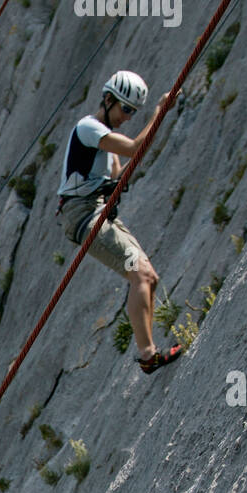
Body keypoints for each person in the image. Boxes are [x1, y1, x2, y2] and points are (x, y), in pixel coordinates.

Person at [56, 70, 182, 375]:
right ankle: (147, 355)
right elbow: (134, 147)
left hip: (95, 210)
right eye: (125, 109)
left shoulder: (104, 145)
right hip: (83, 214)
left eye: (133, 112)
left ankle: (149, 351)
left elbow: (119, 171)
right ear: (108, 99)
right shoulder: (88, 128)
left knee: (148, 276)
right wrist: (159, 113)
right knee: (140, 275)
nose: (128, 117)